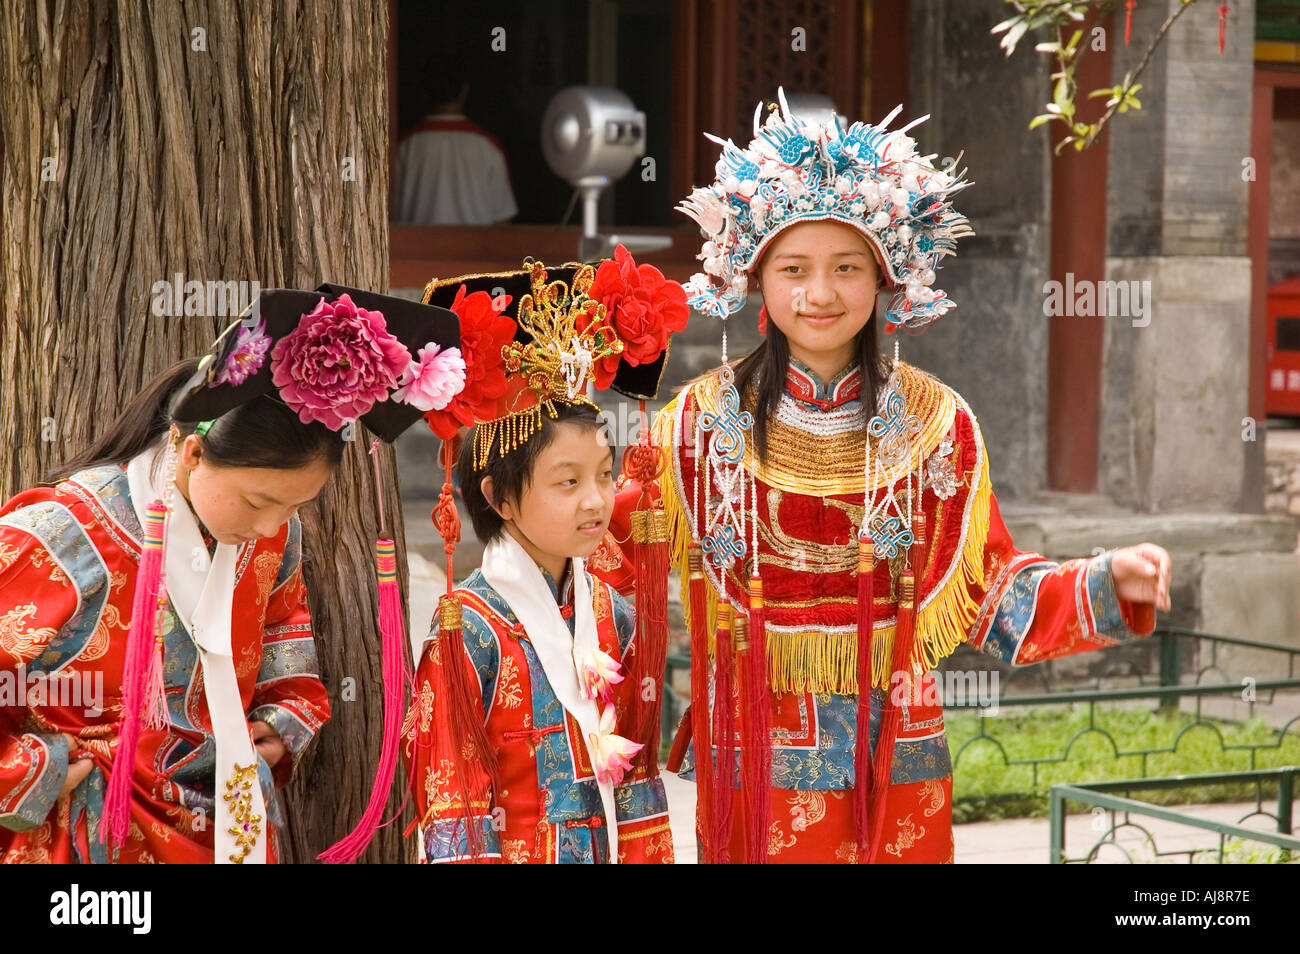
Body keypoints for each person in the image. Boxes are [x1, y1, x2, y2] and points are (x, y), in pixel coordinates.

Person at [635, 92, 1173, 864]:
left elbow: (987, 589)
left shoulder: (934, 425)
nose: (820, 294)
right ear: (755, 279)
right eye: (794, 269)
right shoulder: (694, 427)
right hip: (754, 758)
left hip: (898, 758)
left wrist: (1106, 583)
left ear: (886, 277)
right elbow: (619, 571)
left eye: (846, 268)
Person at [0, 285, 463, 863]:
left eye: (296, 507)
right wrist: (34, 769)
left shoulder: (271, 535)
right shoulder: (57, 536)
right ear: (193, 454)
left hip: (228, 820)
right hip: (90, 832)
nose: (272, 525)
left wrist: (282, 718)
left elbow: (282, 630)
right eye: (258, 500)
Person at [404, 251, 687, 863]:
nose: (597, 501)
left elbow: (638, 784)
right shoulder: (468, 628)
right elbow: (450, 798)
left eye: (605, 475)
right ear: (499, 496)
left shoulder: (615, 613)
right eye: (567, 482)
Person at [396, 56, 518, 225]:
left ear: (424, 92)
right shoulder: (489, 146)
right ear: (464, 91)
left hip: (415, 251)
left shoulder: (404, 146)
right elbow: (503, 220)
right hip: (474, 251)